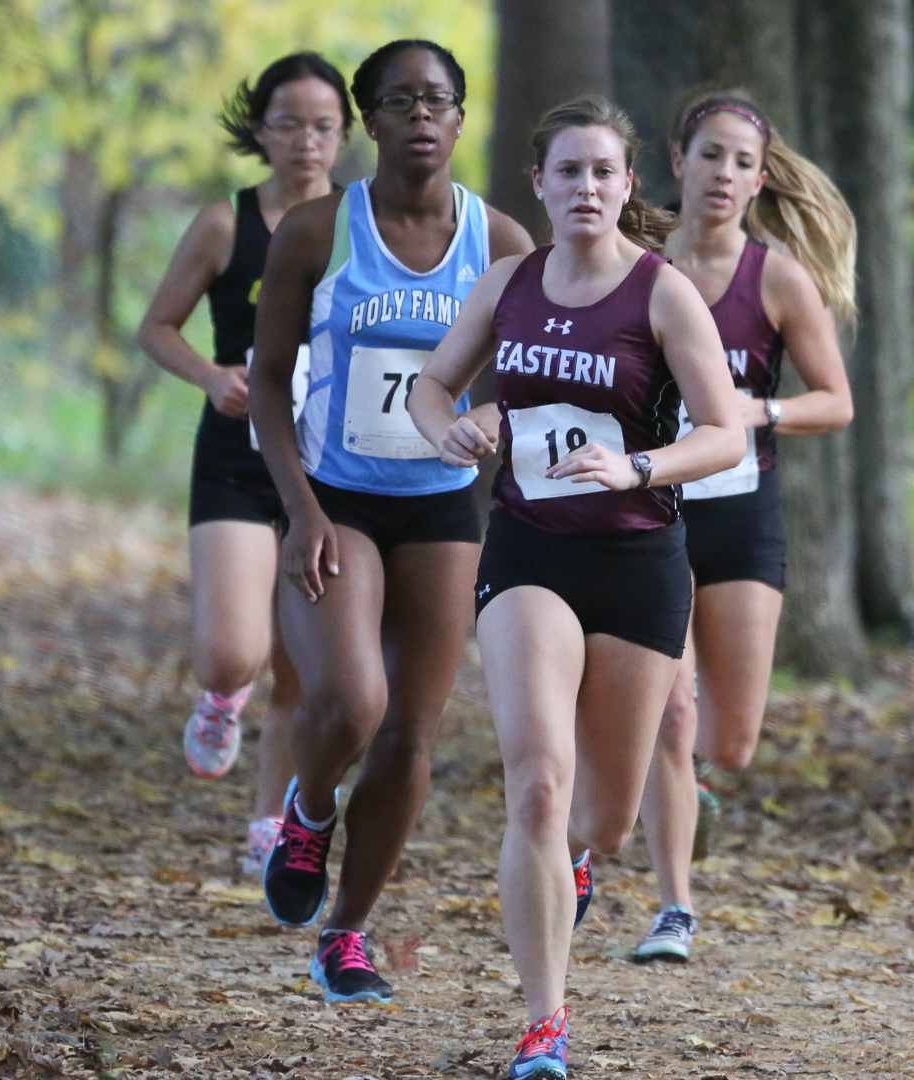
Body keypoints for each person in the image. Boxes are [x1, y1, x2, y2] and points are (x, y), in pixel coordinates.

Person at [407, 97, 744, 1080]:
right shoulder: (508, 284)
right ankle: (544, 1025)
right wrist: (453, 432)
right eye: (569, 171)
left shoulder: (662, 292)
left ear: (629, 185)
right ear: (540, 185)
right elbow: (434, 387)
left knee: (600, 817)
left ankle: (583, 866)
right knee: (539, 781)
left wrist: (638, 468)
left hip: (638, 562)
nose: (587, 188)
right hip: (529, 550)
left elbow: (723, 434)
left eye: (604, 172)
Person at [246, 38, 534, 1006]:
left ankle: (347, 933)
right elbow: (270, 389)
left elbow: (537, 372)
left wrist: (498, 414)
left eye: (439, 99)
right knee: (350, 702)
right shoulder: (320, 232)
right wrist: (297, 510)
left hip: (444, 504)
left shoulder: (498, 241)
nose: (421, 115)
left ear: (460, 119)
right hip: (339, 497)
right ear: (370, 119)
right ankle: (309, 807)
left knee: (412, 734)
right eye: (401, 100)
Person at [632, 90, 856, 963]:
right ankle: (674, 910)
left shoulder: (778, 279)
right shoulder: (639, 263)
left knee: (729, 740)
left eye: (741, 163)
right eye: (710, 155)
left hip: (742, 516)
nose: (723, 174)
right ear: (678, 160)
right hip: (653, 514)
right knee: (673, 717)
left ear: (759, 181)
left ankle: (692, 795)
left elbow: (835, 402)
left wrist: (753, 412)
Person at [137, 53, 351, 875]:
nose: (306, 140)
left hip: (327, 461)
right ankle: (222, 697)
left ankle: (272, 818)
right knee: (235, 649)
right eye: (289, 122)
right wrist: (211, 375)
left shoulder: (356, 226)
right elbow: (158, 326)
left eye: (324, 125)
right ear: (259, 129)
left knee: (305, 661)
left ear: (344, 134)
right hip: (235, 454)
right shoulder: (227, 224)